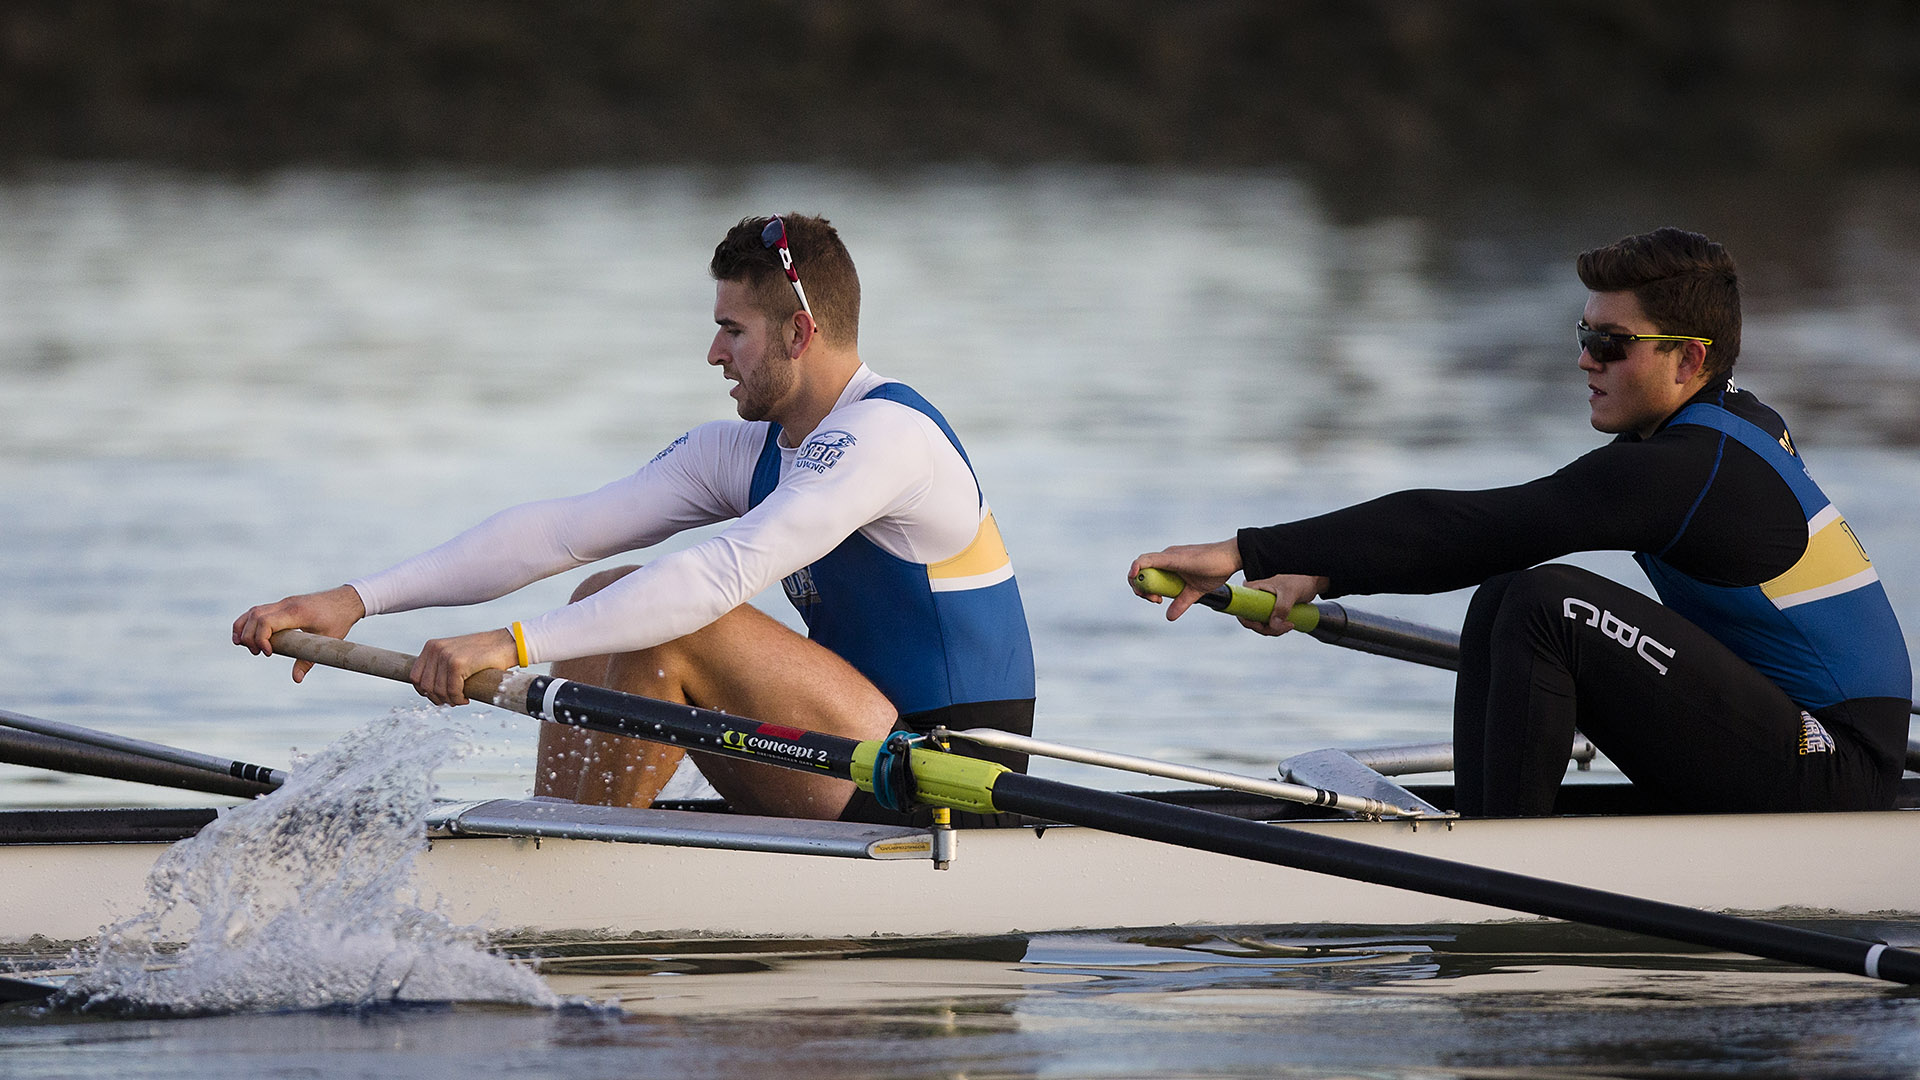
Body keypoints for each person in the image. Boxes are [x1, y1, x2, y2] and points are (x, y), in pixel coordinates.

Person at [235, 214, 1036, 822]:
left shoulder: (889, 437)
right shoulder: (742, 450)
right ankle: (563, 836)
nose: (714, 354)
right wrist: (356, 599)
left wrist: (507, 645)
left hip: (948, 780)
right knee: (602, 597)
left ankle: (570, 869)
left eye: (733, 330)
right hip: (847, 752)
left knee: (674, 621)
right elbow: (557, 532)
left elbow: (720, 575)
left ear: (798, 332)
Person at [1130, 227, 1911, 817]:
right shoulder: (1724, 425)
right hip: (1800, 730)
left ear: (1688, 360)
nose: (1586, 362)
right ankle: (1495, 829)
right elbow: (1481, 541)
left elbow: (1473, 525)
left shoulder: (1686, 471)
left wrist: (1247, 550)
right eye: (1585, 337)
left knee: (1548, 604)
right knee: (1510, 592)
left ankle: (1504, 860)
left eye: (1611, 343)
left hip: (1834, 762)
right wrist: (1314, 567)